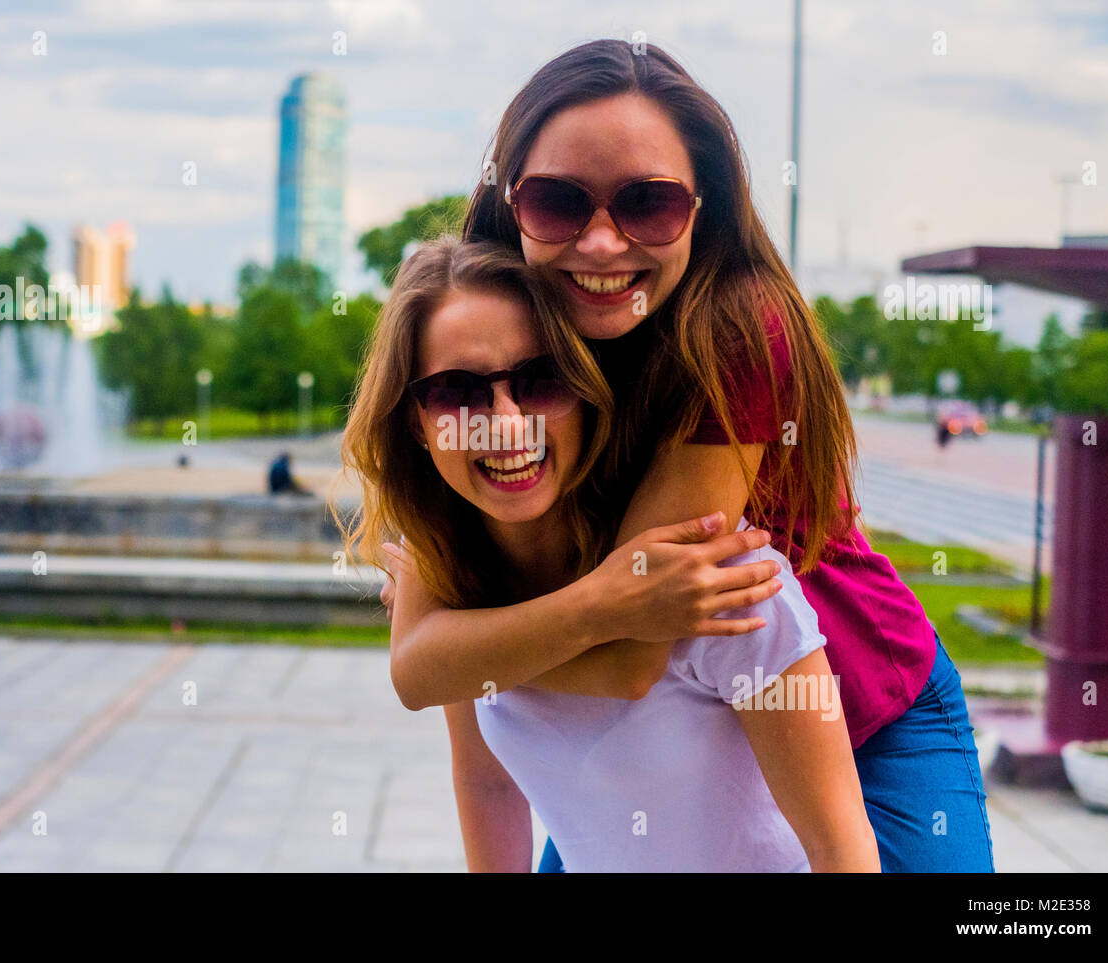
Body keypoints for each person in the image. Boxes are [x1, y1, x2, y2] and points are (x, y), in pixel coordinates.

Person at [384, 39, 993, 873]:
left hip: (859, 703)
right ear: (511, 204)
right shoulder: (489, 330)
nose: (601, 245)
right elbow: (430, 669)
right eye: (559, 202)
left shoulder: (737, 328)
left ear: (702, 207)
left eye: (649, 204)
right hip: (672, 721)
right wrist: (462, 635)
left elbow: (637, 645)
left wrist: (470, 638)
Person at [340, 236, 879, 871]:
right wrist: (592, 608)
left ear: (587, 391)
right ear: (413, 421)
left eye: (541, 380)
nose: (506, 423)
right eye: (458, 391)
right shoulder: (463, 586)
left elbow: (839, 846)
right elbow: (487, 786)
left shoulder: (715, 582)